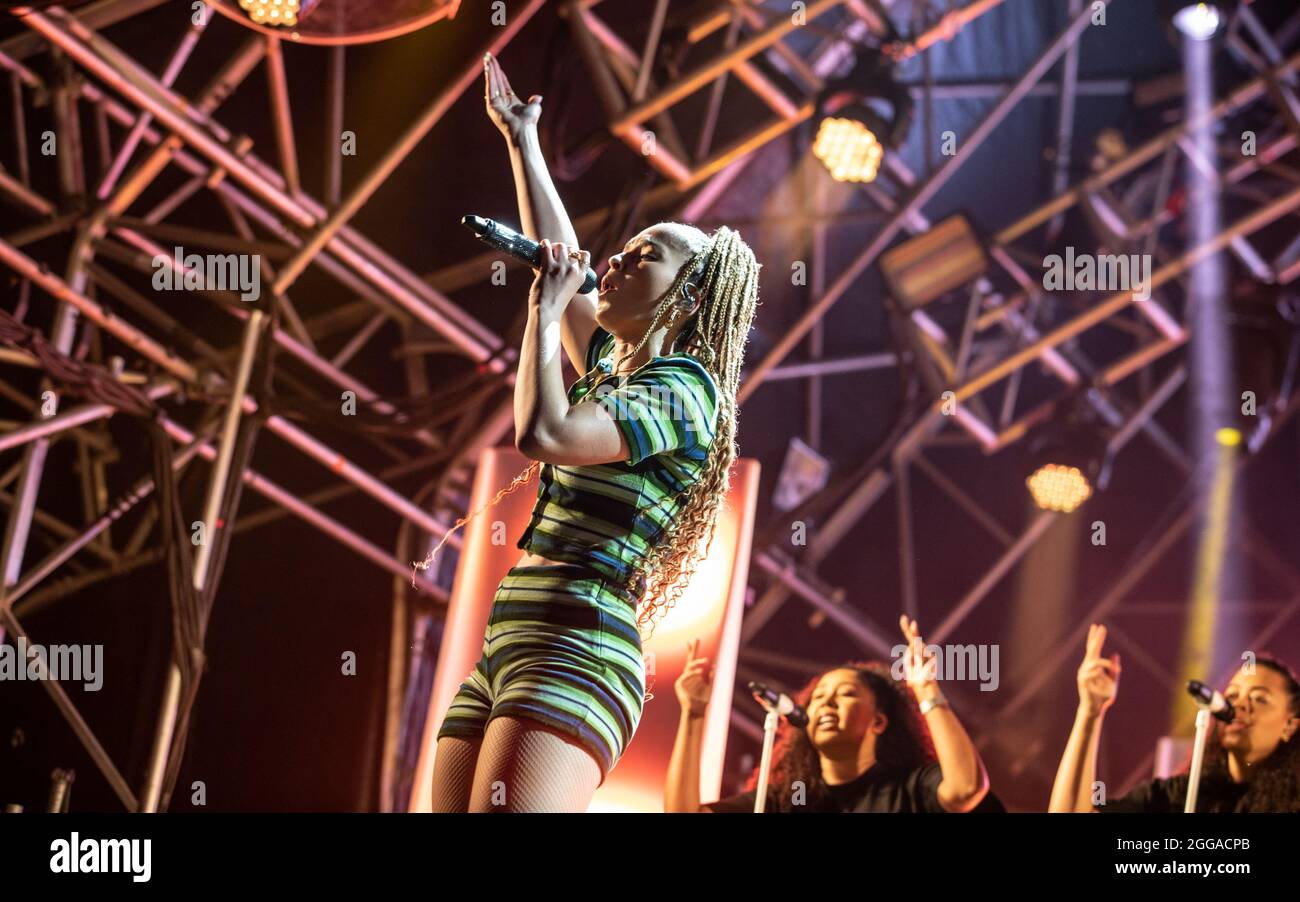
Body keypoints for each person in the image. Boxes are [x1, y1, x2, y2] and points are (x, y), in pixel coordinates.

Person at [423, 53, 761, 812]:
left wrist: (543, 316)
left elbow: (545, 432)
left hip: (578, 644)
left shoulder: (686, 392)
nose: (616, 260)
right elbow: (563, 257)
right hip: (510, 635)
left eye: (645, 256)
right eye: (623, 249)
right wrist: (523, 141)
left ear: (688, 297)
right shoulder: (613, 367)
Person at [665, 616, 993, 813]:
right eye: (818, 697)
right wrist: (693, 714)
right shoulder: (786, 801)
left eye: (846, 694)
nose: (826, 703)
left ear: (879, 721)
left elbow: (966, 788)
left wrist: (926, 689)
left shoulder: (910, 790)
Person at [1048, 623, 1300, 812]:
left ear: (1290, 725)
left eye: (1259, 699)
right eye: (1232, 695)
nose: (1240, 705)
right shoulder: (1179, 796)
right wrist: (1090, 712)